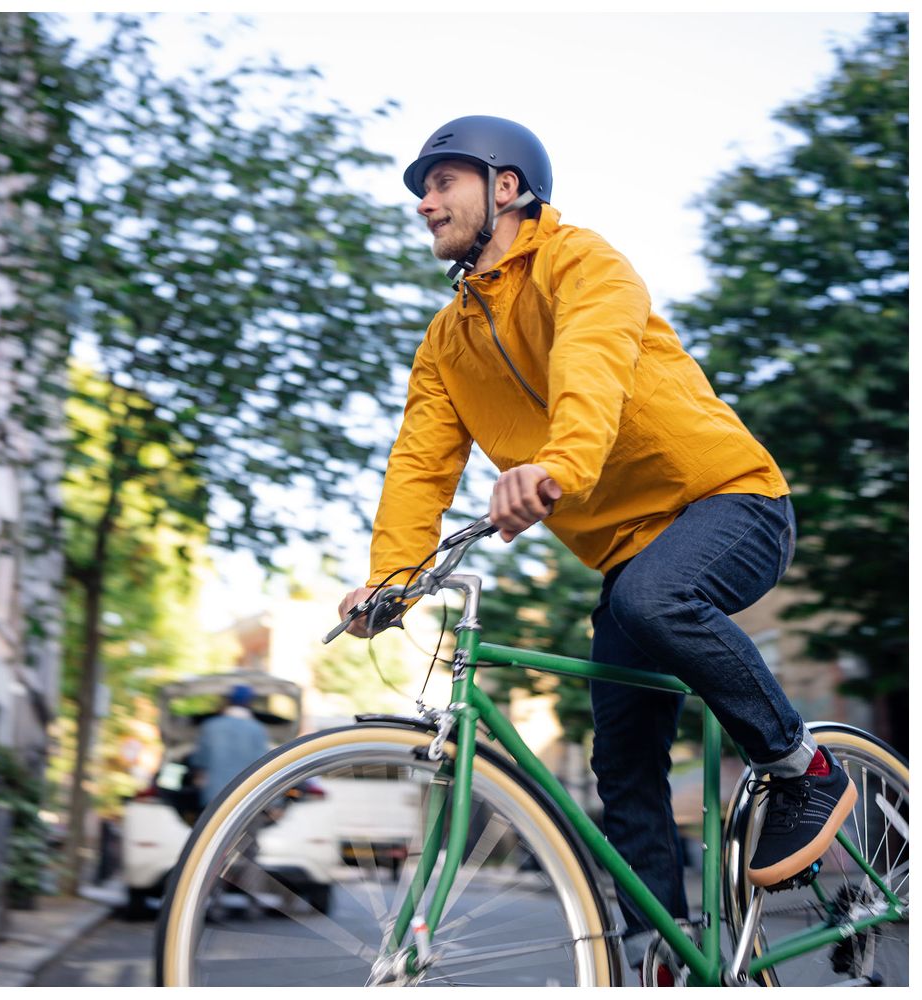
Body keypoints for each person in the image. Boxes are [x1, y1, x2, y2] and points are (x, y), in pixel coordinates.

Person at [339, 115, 857, 962]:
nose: (425, 204)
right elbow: (420, 465)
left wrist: (554, 467)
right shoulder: (446, 343)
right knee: (621, 762)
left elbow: (593, 365)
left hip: (730, 501)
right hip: (629, 553)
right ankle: (668, 956)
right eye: (422, 191)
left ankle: (805, 768)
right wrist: (393, 580)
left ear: (506, 187)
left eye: (441, 182)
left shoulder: (584, 262)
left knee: (660, 599)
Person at [192, 684, 269, 808]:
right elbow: (264, 764)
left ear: (228, 701)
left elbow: (199, 761)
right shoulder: (258, 729)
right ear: (249, 703)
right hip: (246, 797)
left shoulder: (210, 726)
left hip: (213, 796)